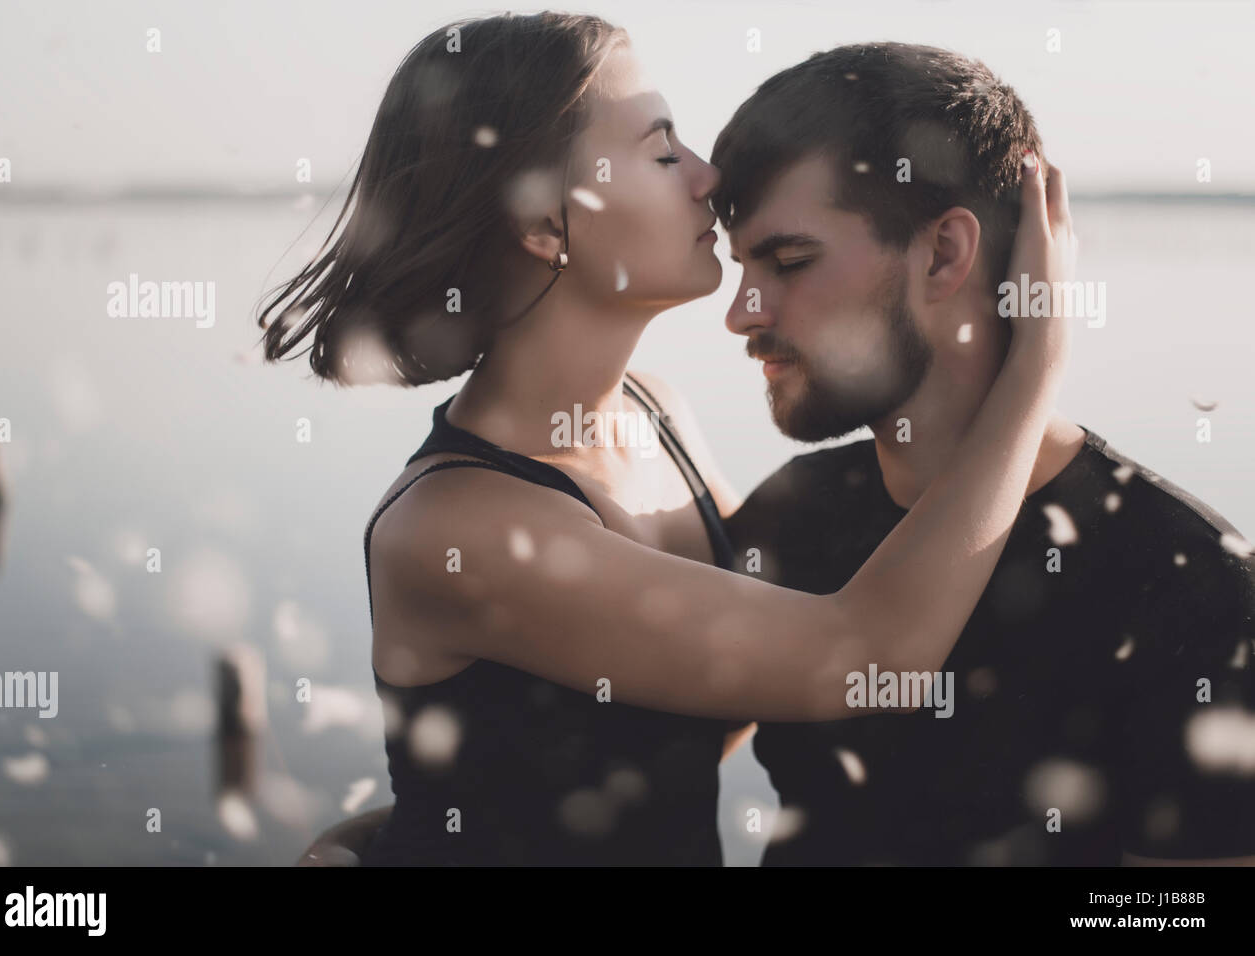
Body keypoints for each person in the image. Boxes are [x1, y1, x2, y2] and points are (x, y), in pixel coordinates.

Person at [257, 14, 1072, 865]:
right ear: (543, 222)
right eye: (662, 149)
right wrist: (1037, 364)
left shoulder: (658, 415)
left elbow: (709, 701)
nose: (708, 176)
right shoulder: (463, 526)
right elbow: (863, 657)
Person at [712, 41, 1255, 866]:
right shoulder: (792, 512)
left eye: (788, 261)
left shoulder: (1190, 583)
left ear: (944, 254)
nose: (743, 314)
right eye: (739, 266)